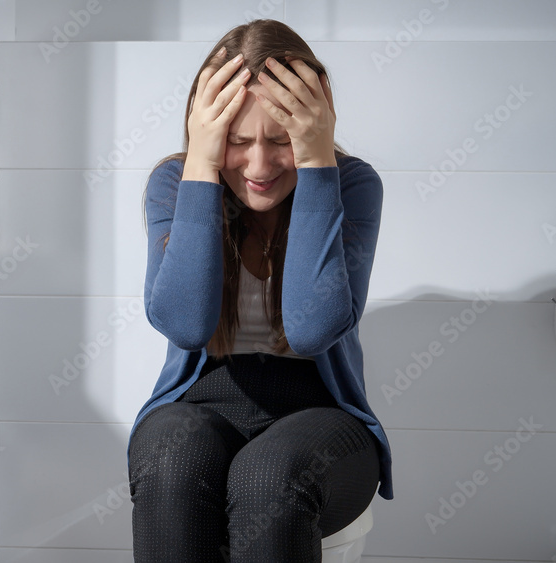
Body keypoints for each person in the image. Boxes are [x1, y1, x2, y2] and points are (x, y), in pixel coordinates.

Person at [126, 18, 393, 562]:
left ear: (312, 126)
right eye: (236, 141)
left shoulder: (354, 183)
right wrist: (201, 165)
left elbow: (312, 327)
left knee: (267, 477)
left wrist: (318, 163)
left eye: (281, 140)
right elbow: (184, 323)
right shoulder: (175, 184)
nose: (259, 165)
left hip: (321, 414)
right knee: (171, 464)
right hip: (197, 407)